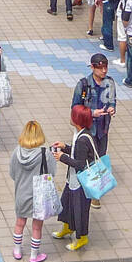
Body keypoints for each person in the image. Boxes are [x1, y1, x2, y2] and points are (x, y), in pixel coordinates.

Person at [51, 105, 98, 252]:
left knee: (80, 210)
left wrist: (62, 157)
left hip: (80, 183)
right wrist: (65, 147)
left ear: (77, 120)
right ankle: (67, 227)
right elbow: (78, 153)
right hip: (73, 180)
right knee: (66, 203)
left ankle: (81, 237)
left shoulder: (82, 139)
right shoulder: (82, 134)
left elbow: (80, 163)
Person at [10, 120, 51, 262]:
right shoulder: (44, 153)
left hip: (21, 193)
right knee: (37, 226)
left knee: (19, 222)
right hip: (38, 195)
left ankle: (17, 250)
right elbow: (51, 172)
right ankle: (34, 255)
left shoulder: (16, 152)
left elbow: (12, 174)